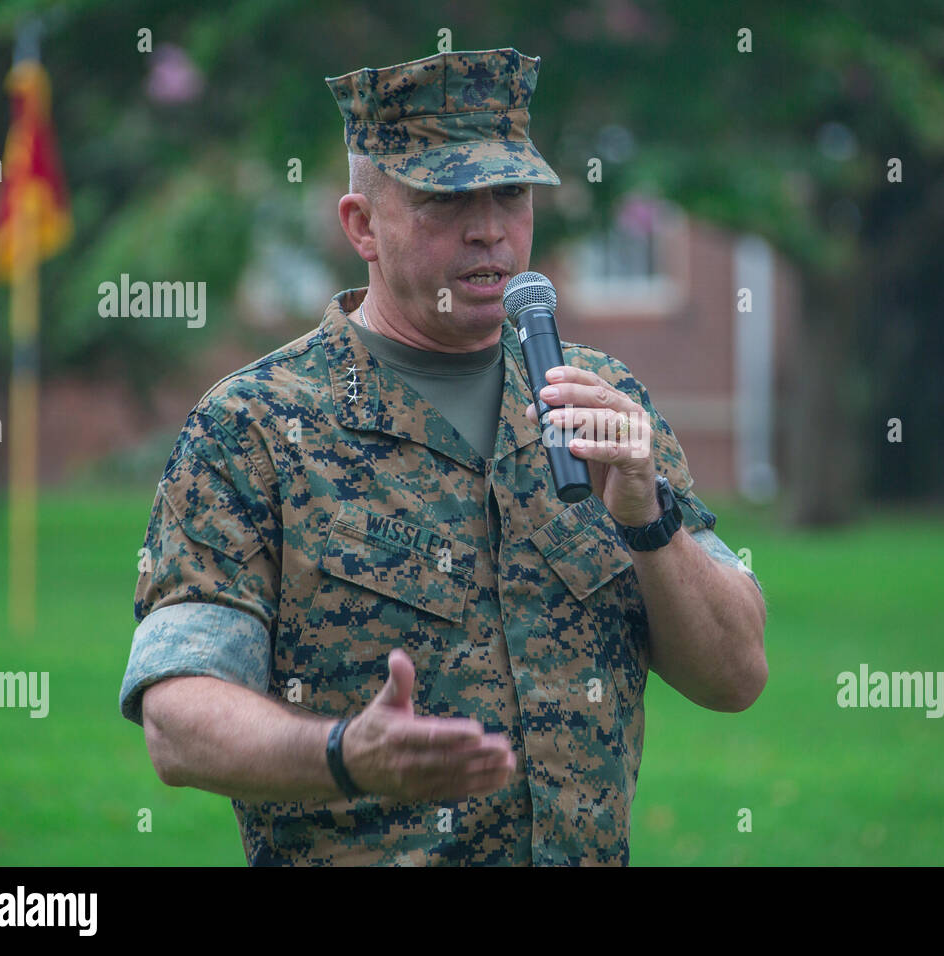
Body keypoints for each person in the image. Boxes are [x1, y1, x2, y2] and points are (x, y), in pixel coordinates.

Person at [118, 47, 767, 866]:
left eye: (510, 195)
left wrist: (648, 519)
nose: (490, 227)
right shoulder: (254, 425)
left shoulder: (602, 403)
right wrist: (346, 754)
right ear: (362, 224)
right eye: (447, 198)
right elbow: (178, 721)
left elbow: (736, 676)